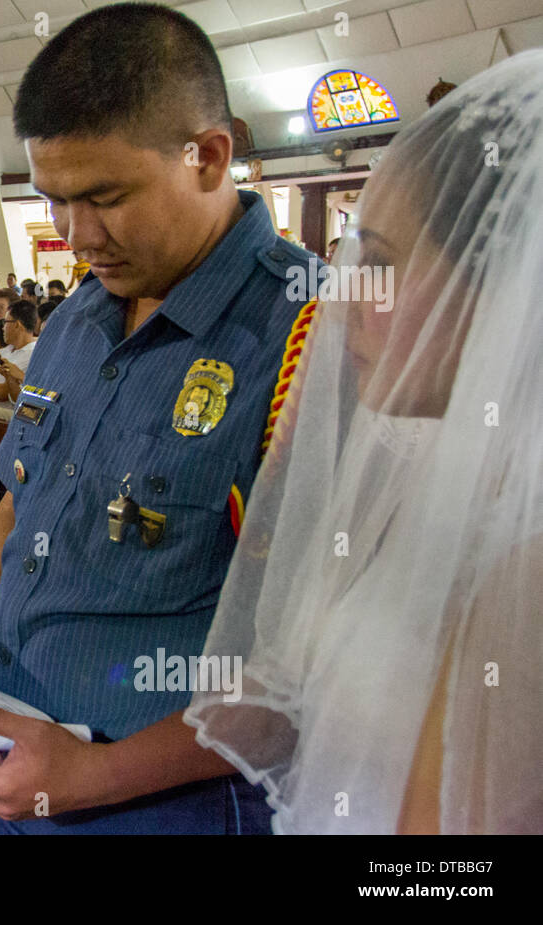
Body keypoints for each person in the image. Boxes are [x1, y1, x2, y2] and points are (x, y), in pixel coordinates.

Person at [0, 2, 316, 834]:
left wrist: (95, 772)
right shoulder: (81, 317)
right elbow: (19, 502)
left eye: (104, 197)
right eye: (55, 201)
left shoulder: (308, 340)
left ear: (209, 157)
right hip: (13, 766)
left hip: (166, 805)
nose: (76, 235)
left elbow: (318, 667)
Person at [187, 51, 543, 835]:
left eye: (377, 262)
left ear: (508, 288)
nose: (342, 300)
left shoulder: (530, 569)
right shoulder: (421, 464)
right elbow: (290, 689)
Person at [0, 299, 39, 420]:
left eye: (6, 322)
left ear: (17, 325)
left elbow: (2, 392)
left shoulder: (33, 355)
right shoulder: (3, 351)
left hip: (11, 414)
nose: (3, 328)